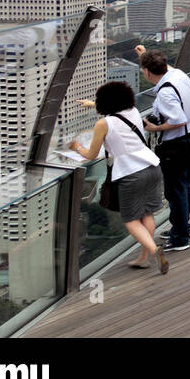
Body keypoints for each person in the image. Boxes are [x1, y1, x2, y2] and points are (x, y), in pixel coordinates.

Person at [70, 82, 168, 273]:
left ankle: (155, 250)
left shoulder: (103, 124)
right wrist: (92, 104)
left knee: (131, 219)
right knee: (147, 213)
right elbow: (116, 115)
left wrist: (76, 147)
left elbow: (91, 154)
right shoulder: (132, 110)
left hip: (130, 174)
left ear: (106, 102)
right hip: (152, 167)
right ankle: (143, 258)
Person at [136, 44, 190, 252]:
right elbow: (165, 67)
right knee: (185, 187)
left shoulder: (165, 93)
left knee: (176, 192)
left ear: (147, 72)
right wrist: (145, 55)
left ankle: (181, 237)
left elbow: (178, 120)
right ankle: (182, 228)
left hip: (177, 146)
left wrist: (156, 127)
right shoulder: (178, 75)